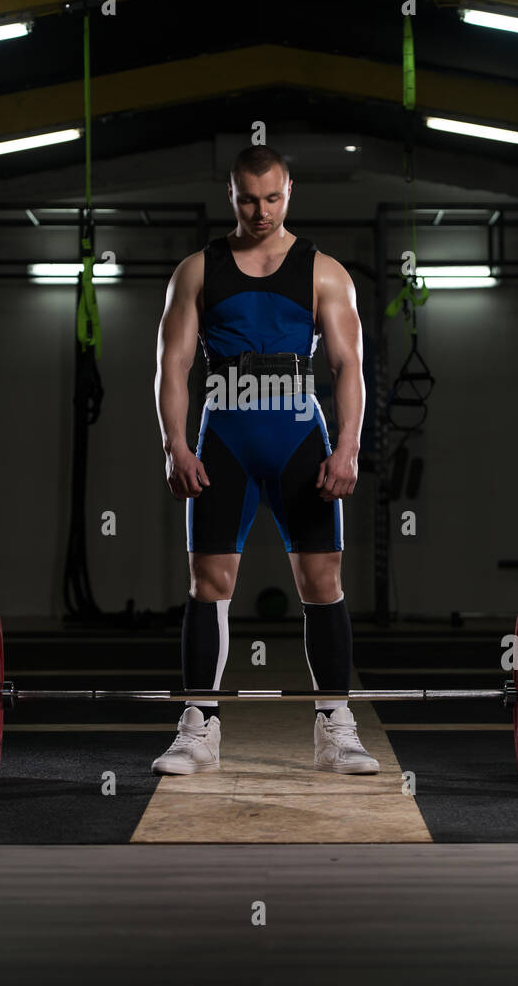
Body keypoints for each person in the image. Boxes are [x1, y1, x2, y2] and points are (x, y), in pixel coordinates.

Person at [152, 144, 378, 775]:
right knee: (209, 583)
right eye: (248, 199)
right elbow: (171, 366)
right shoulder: (197, 270)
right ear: (231, 194)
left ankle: (336, 725)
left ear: (289, 193)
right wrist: (175, 444)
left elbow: (347, 365)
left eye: (272, 198)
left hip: (298, 443)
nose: (260, 211)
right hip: (222, 437)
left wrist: (348, 446)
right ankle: (199, 728)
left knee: (322, 582)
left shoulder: (324, 271)